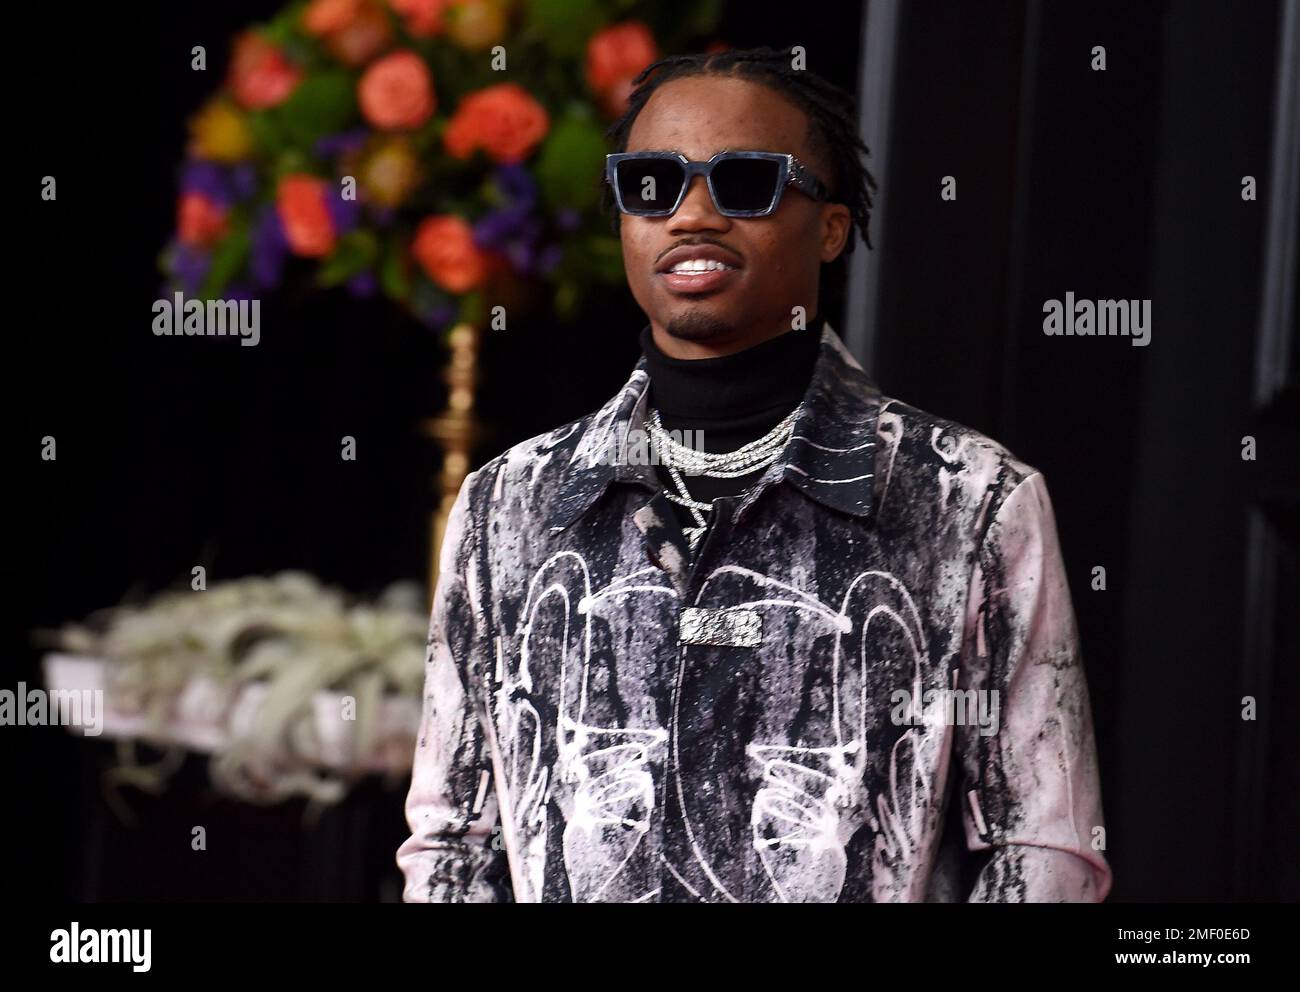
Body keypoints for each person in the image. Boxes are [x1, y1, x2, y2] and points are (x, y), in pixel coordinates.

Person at [397, 46, 1112, 903]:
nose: (692, 215)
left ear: (833, 225)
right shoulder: (510, 504)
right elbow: (452, 843)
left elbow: (1041, 851)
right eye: (654, 185)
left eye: (745, 183)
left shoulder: (972, 501)